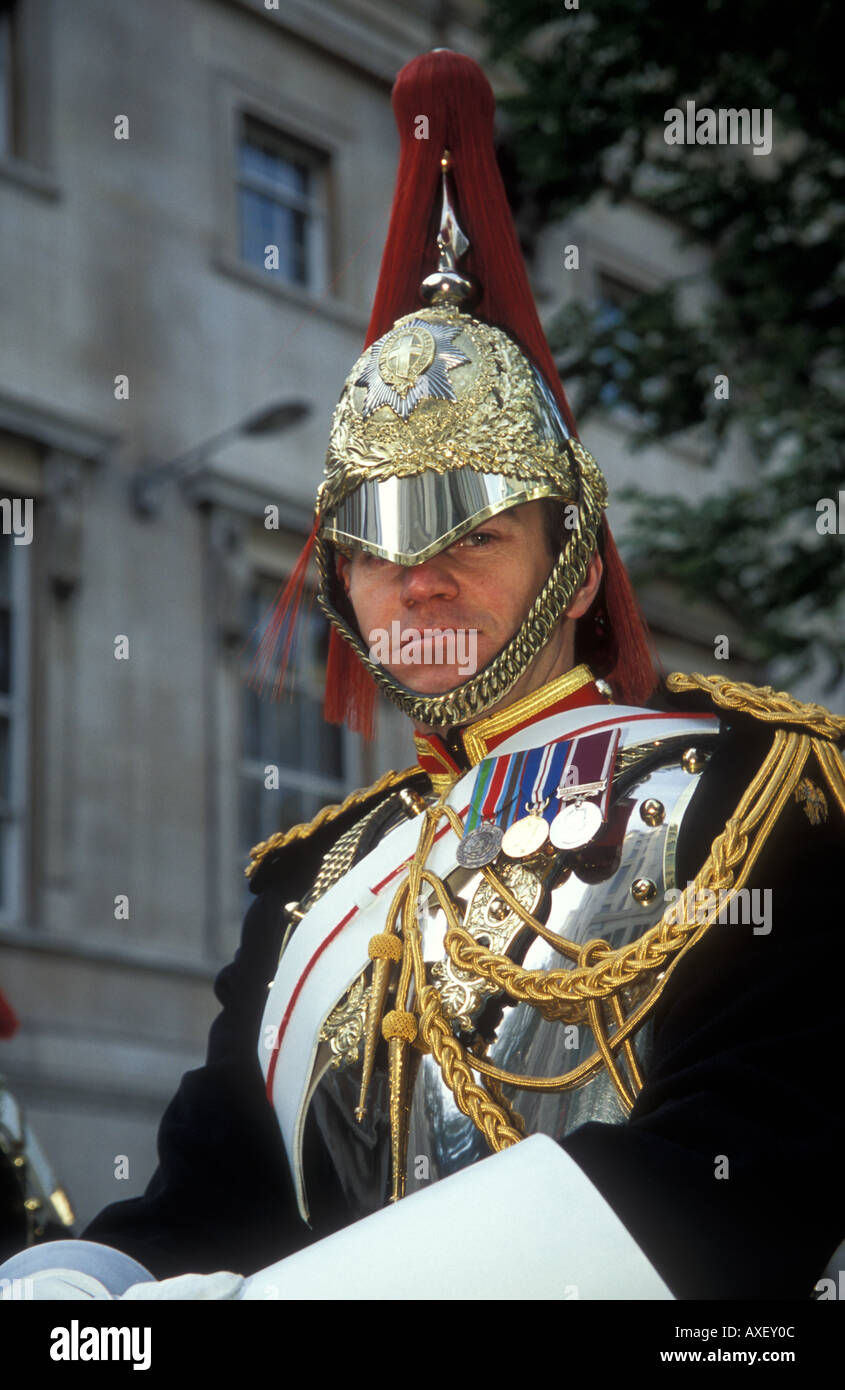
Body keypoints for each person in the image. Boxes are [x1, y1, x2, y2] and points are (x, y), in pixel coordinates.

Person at [4, 49, 844, 1302]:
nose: (421, 583)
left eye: (472, 534)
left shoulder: (748, 794)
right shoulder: (309, 883)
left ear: (567, 558)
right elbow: (210, 1201)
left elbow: (735, 1189)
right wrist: (77, 1291)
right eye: (377, 549)